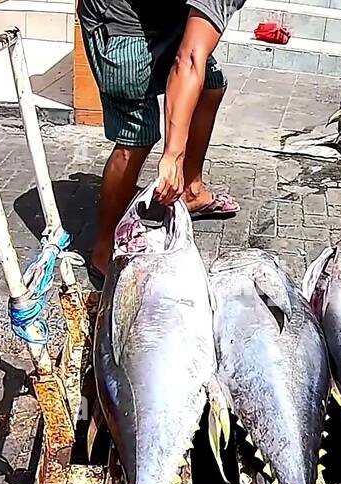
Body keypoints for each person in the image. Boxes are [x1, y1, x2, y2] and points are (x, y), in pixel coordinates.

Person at [78, 0, 247, 279]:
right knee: (138, 134)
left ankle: (190, 192)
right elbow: (189, 60)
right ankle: (104, 248)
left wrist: (176, 156)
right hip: (120, 19)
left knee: (210, 86)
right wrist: (172, 155)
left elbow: (193, 54)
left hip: (164, 16)